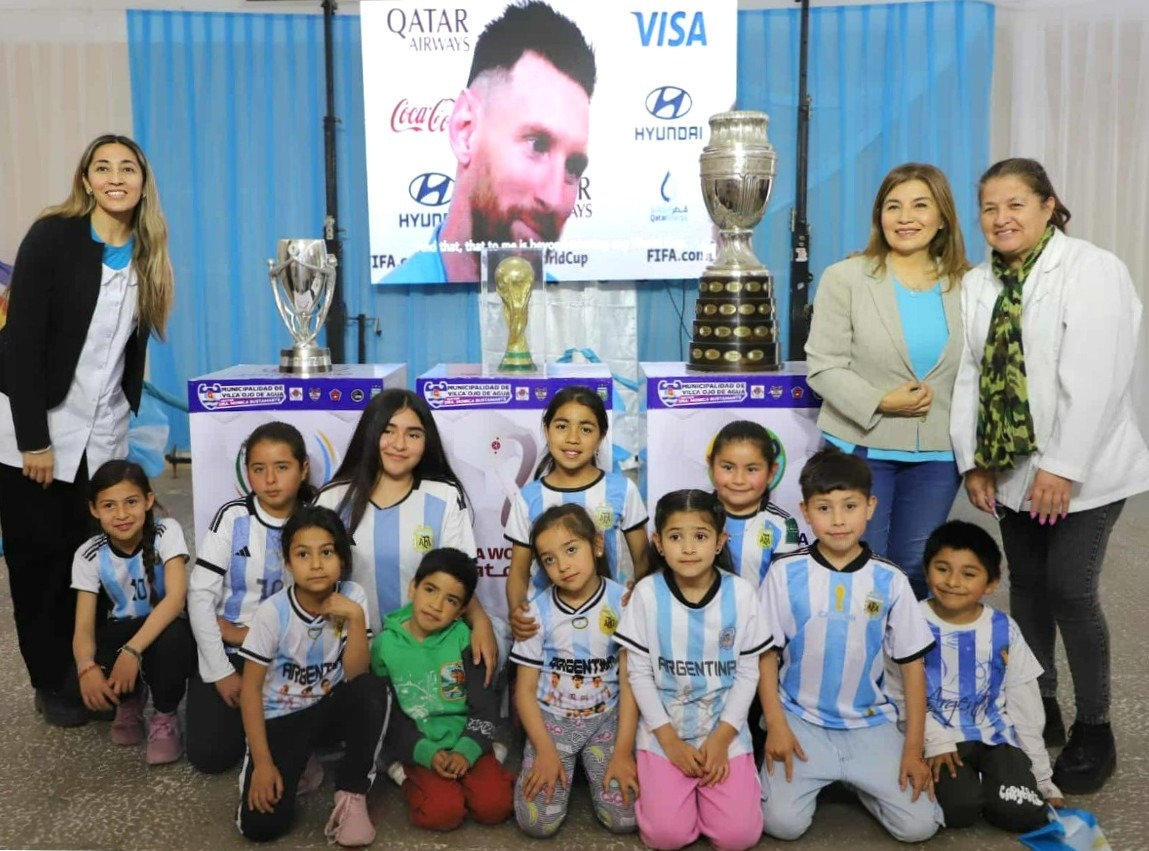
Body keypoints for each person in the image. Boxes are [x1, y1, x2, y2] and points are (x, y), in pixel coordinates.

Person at [950, 157, 1149, 794]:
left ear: (1047, 205)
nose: (1001, 218)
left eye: (1015, 204)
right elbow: (971, 376)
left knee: (1069, 586)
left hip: (1085, 468)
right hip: (1011, 469)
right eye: (989, 207)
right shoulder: (979, 282)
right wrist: (974, 460)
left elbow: (1098, 377)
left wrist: (1062, 467)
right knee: (1028, 589)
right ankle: (1043, 709)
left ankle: (1097, 728)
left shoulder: (1092, 269)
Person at [0, 134, 174, 727]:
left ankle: (95, 674)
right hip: (35, 432)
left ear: (143, 184)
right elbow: (19, 345)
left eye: (128, 167)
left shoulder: (149, 251)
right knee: (38, 563)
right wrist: (33, 440)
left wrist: (122, 424)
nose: (116, 176)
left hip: (102, 436)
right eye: (103, 167)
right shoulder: (53, 237)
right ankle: (54, 683)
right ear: (87, 180)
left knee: (94, 561)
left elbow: (128, 353)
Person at [805, 163, 970, 600]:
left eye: (920, 205)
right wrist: (881, 401)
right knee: (860, 564)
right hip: (862, 445)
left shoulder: (971, 284)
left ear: (942, 217)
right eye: (893, 206)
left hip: (937, 453)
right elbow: (823, 365)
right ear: (879, 216)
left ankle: (905, 665)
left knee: (917, 570)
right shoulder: (846, 278)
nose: (905, 217)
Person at [758, 447, 940, 842]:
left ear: (870, 507)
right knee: (782, 825)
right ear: (806, 511)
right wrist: (775, 725)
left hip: (869, 723)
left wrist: (913, 749)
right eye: (824, 508)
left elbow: (912, 667)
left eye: (850, 506)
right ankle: (834, 773)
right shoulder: (784, 573)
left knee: (918, 827)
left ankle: (860, 776)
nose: (838, 520)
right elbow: (765, 656)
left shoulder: (890, 580)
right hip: (800, 722)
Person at [383, 1, 596, 284]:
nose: (555, 199)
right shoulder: (397, 300)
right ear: (465, 130)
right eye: (537, 145)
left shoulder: (563, 314)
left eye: (573, 168)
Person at [615, 489, 770, 851]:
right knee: (665, 836)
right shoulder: (647, 595)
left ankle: (721, 797)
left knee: (738, 837)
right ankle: (679, 800)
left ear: (719, 542)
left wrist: (721, 739)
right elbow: (638, 674)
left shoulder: (742, 594)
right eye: (675, 537)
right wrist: (668, 740)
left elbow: (749, 673)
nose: (687, 548)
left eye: (700, 536)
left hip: (723, 729)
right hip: (664, 731)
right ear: (658, 542)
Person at [885, 521, 1061, 833]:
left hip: (996, 738)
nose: (953, 582)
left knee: (1023, 815)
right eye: (942, 569)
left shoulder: (1004, 629)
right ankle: (975, 785)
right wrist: (933, 741)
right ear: (926, 571)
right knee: (957, 811)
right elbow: (898, 695)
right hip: (940, 740)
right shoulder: (908, 623)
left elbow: (1026, 703)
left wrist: (1043, 778)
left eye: (969, 574)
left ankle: (995, 779)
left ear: (991, 582)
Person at [315, 389, 499, 676]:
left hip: (425, 656)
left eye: (413, 435)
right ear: (370, 433)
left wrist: (482, 622)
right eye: (388, 431)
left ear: (426, 442)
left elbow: (457, 578)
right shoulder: (332, 500)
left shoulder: (444, 497)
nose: (399, 445)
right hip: (346, 657)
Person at [236, 505, 387, 846]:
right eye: (303, 554)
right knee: (262, 827)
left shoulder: (353, 598)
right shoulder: (272, 613)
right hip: (282, 719)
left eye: (327, 552)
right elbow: (250, 691)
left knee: (374, 690)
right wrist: (262, 763)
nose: (316, 564)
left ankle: (351, 794)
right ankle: (300, 763)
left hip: (328, 710)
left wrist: (356, 619)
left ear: (342, 560)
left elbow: (357, 677)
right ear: (288, 563)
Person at [186, 422, 317, 774]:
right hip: (232, 657)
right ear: (247, 473)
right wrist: (220, 672)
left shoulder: (316, 521)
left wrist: (244, 634)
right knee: (210, 756)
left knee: (302, 744)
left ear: (303, 469)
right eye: (259, 469)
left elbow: (324, 607)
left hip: (290, 654)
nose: (270, 480)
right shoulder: (233, 517)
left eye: (282, 467)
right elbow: (199, 596)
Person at [509, 504, 638, 837]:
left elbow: (631, 681)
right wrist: (546, 750)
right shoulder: (536, 612)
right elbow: (523, 691)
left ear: (596, 545)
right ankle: (563, 763)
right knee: (537, 824)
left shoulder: (623, 602)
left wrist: (623, 751)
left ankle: (595, 766)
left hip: (606, 720)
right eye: (550, 559)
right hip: (552, 723)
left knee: (626, 818)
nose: (563, 565)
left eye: (571, 549)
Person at [371, 547, 514, 831]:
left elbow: (484, 704)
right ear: (413, 588)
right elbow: (389, 715)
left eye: (450, 600)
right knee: (442, 814)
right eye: (430, 590)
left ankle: (488, 756)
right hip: (419, 743)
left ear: (462, 610)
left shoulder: (465, 640)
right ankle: (401, 773)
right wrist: (424, 752)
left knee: (495, 807)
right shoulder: (384, 645)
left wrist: (466, 751)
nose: (436, 605)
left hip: (466, 737)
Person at [71, 459, 194, 764]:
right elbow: (83, 628)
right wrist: (86, 667)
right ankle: (129, 701)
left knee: (174, 637)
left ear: (148, 500)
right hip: (123, 632)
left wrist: (132, 651)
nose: (122, 514)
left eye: (131, 502)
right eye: (109, 506)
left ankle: (165, 715)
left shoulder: (167, 531)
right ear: (94, 510)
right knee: (100, 646)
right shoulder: (88, 554)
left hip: (166, 629)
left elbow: (176, 599)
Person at [505, 386, 648, 642]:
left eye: (586, 429)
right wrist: (517, 610)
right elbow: (518, 572)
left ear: (601, 436)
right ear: (547, 430)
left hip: (611, 624)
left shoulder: (623, 490)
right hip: (546, 630)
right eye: (562, 426)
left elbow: (643, 563)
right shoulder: (528, 498)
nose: (573, 438)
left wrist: (639, 603)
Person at [708, 420, 801, 586]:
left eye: (751, 469)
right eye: (728, 468)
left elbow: (787, 588)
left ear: (771, 472)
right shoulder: (694, 514)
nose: (738, 480)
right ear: (711, 465)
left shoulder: (784, 525)